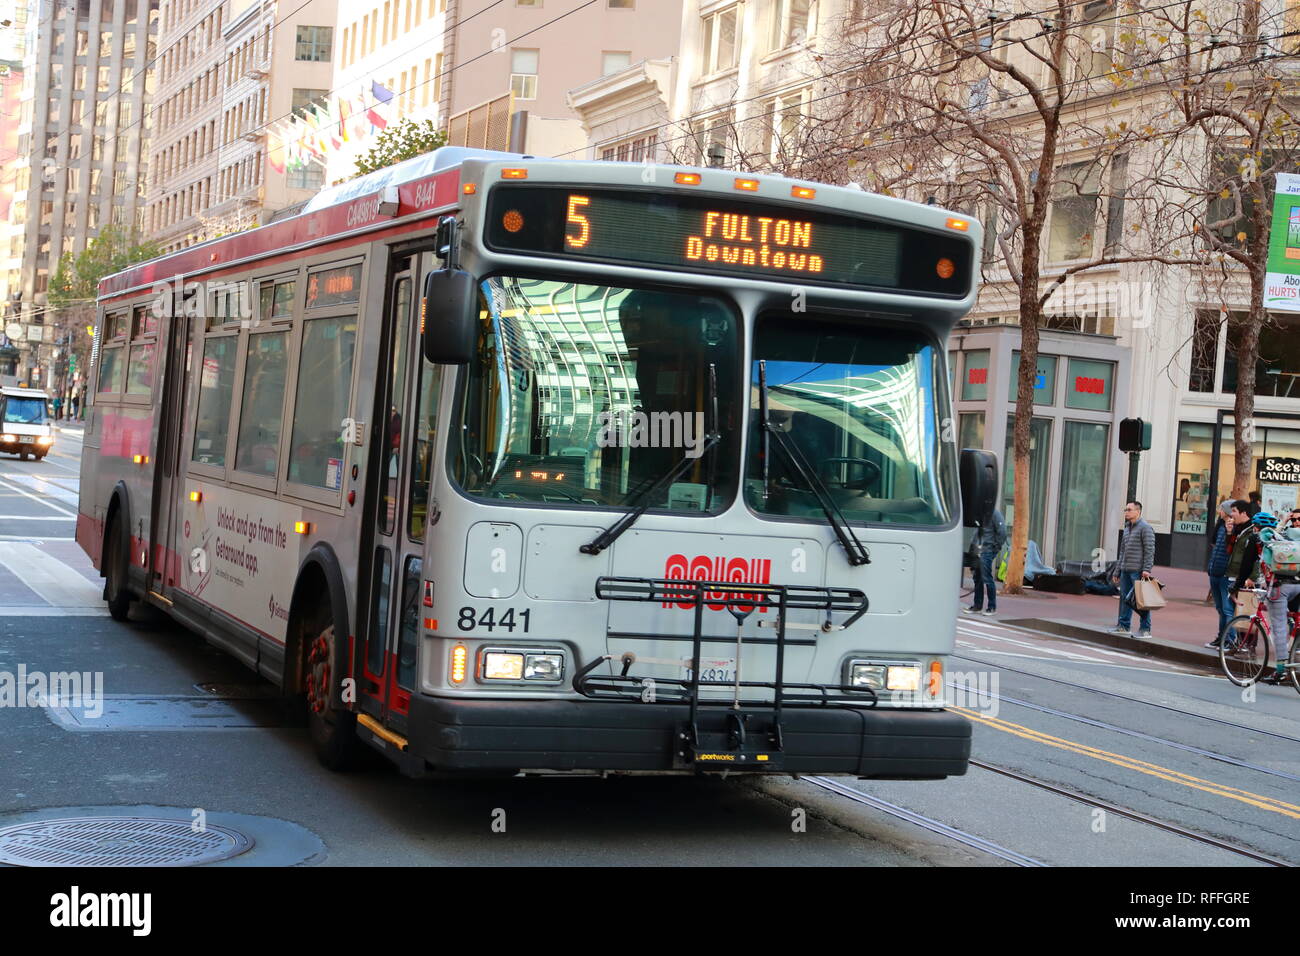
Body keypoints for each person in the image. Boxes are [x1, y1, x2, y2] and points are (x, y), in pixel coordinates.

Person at [1236, 509, 1300, 684]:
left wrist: (1236, 586)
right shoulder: (1294, 536)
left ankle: (1280, 670)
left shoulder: (1270, 537)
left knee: (1278, 626)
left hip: (1280, 587)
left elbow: (1265, 543)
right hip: (1298, 584)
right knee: (1294, 619)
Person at [1110, 500, 1156, 637]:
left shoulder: (1145, 528)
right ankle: (1124, 626)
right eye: (1125, 510)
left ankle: (1145, 629)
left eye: (1129, 510)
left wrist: (1147, 569)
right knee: (1125, 598)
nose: (1126, 512)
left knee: (1141, 600)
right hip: (1126, 569)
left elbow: (1150, 550)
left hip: (1138, 570)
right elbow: (1122, 552)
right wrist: (1117, 570)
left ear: (1138, 511)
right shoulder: (1127, 528)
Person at [1204, 500, 1236, 648]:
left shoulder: (1233, 528)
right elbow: (1215, 546)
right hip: (1215, 571)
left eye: (1221, 508)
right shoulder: (1220, 526)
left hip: (1225, 574)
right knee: (1220, 608)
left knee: (1227, 608)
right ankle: (1221, 637)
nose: (1219, 511)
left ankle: (1229, 639)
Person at [963, 507, 1007, 617]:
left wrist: (995, 548)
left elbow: (1002, 532)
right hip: (977, 550)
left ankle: (992, 607)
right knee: (977, 578)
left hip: (987, 551)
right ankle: (977, 605)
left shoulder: (995, 514)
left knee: (987, 578)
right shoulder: (979, 514)